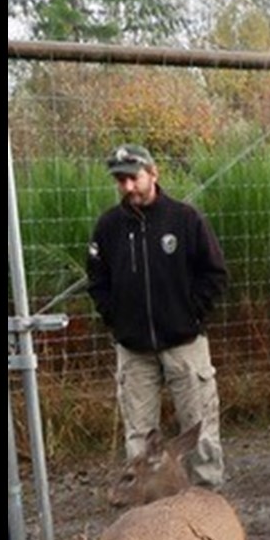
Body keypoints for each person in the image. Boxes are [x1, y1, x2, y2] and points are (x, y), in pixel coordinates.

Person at [86, 144, 230, 489]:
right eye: (120, 180)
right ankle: (147, 504)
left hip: (184, 342)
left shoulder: (185, 219)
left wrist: (191, 315)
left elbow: (215, 274)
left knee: (199, 428)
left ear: (153, 173)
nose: (127, 187)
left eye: (133, 178)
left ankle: (205, 497)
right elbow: (97, 282)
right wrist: (116, 320)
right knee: (138, 434)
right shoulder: (107, 227)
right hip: (133, 349)